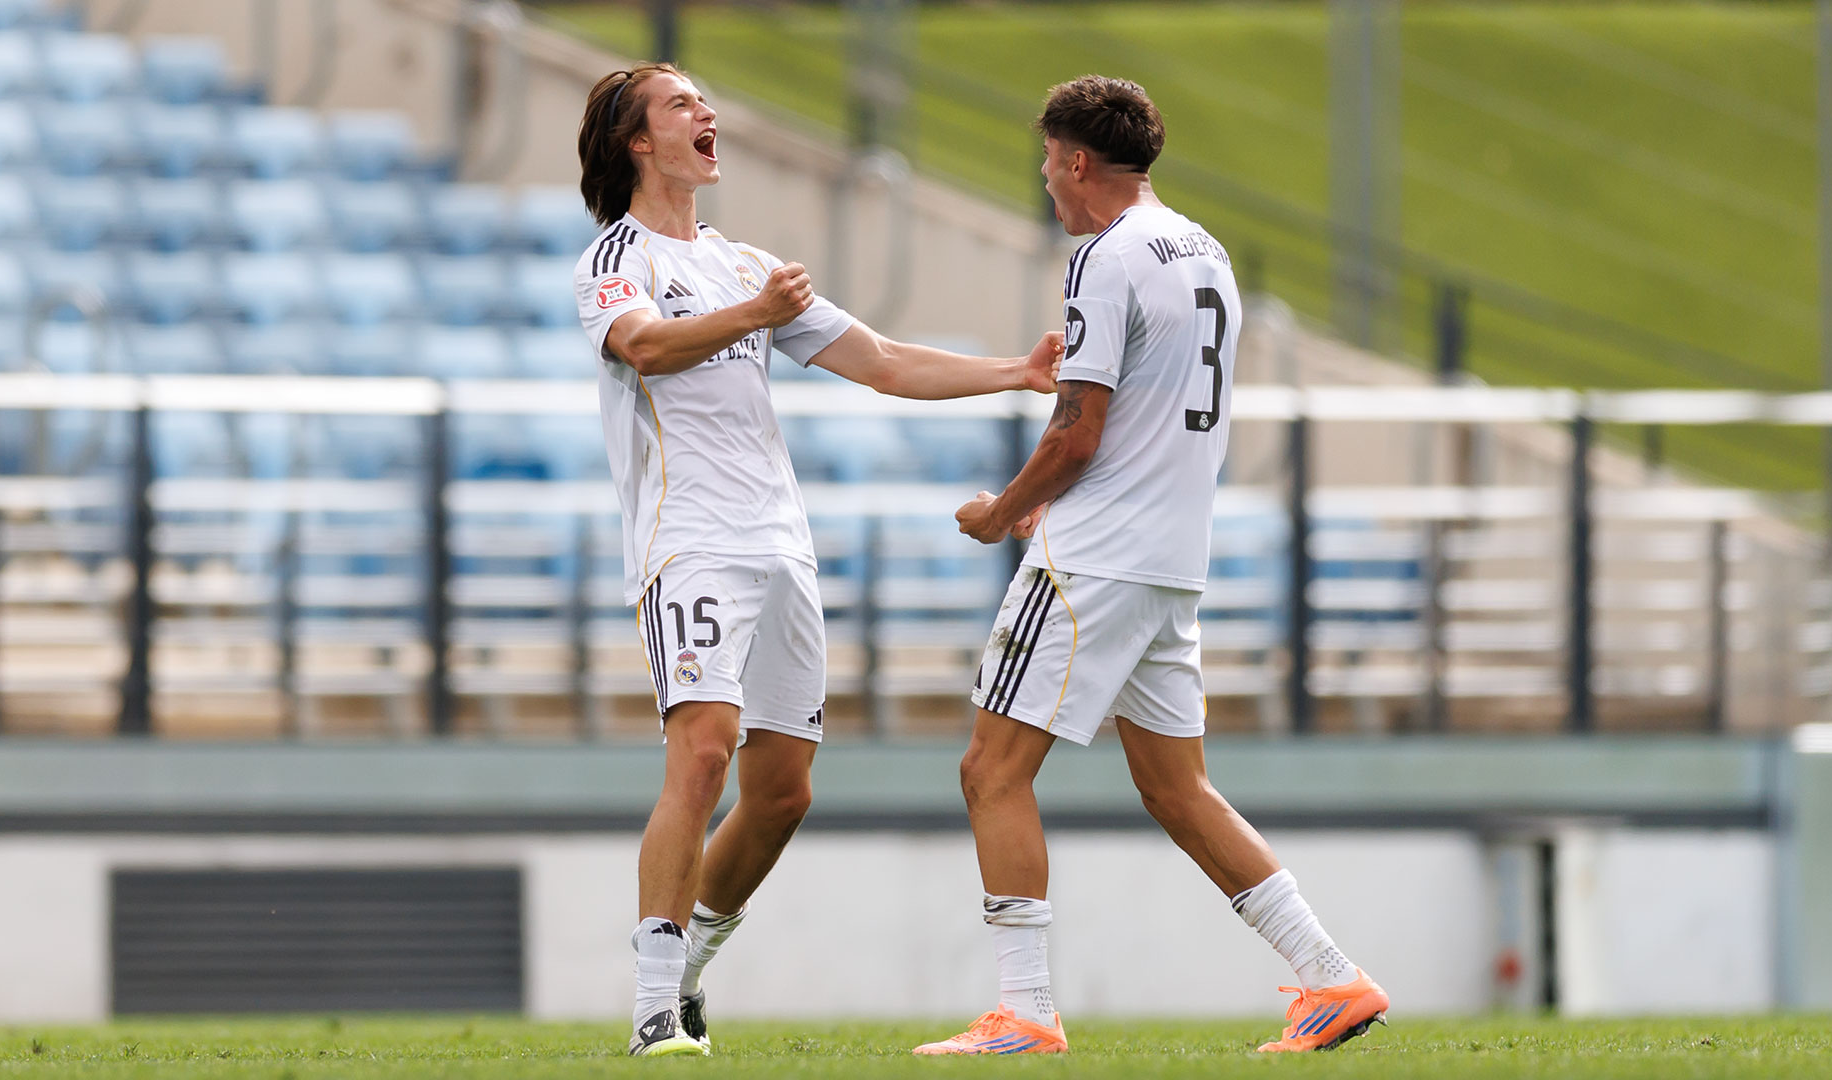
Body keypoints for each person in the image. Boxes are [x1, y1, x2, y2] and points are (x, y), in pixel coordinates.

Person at [572, 63, 1062, 1058]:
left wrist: (1018, 371)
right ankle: (652, 1006)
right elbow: (645, 347)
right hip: (691, 542)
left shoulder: (747, 262)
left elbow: (880, 360)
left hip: (780, 545)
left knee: (784, 790)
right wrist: (755, 316)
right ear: (637, 141)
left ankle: (692, 970)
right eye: (682, 105)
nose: (707, 114)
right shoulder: (614, 260)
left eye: (706, 101)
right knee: (702, 750)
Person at [913, 75, 1388, 1057]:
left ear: (1078, 159)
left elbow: (1079, 430)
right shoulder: (1205, 249)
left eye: (1049, 158)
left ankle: (1025, 1011)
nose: (1045, 178)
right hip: (1173, 558)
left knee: (991, 770)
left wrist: (1003, 511)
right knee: (1179, 789)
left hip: (1094, 558)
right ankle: (1332, 977)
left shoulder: (1104, 258)